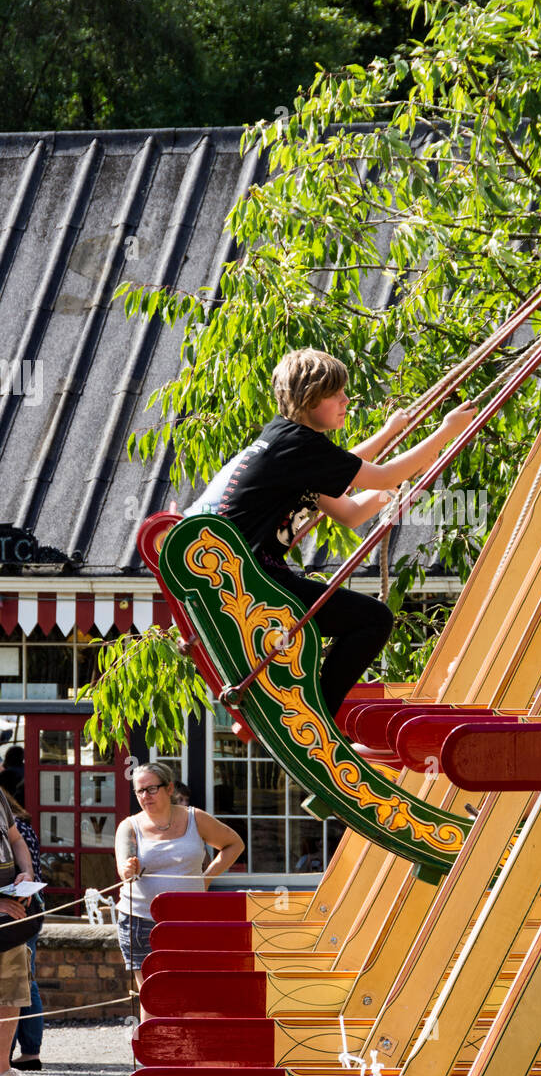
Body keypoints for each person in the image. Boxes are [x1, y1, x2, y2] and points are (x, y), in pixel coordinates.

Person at [213, 347, 476, 715]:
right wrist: (445, 432)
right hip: (255, 579)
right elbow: (379, 473)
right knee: (374, 619)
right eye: (336, 394)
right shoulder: (297, 445)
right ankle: (319, 712)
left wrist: (396, 479)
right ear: (309, 398)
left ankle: (314, 705)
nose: (346, 400)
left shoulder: (287, 441)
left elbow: (350, 511)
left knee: (364, 618)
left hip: (247, 576)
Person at [115, 762, 244, 1020]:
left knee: (190, 992)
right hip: (141, 920)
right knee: (153, 994)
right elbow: (123, 869)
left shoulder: (195, 818)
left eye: (151, 789)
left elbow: (234, 844)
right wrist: (129, 868)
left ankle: (187, 1056)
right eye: (139, 791)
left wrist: (206, 879)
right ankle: (155, 1057)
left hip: (190, 921)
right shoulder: (129, 827)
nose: (144, 797)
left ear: (169, 788)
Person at [0, 782, 44, 1076]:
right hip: (4, 909)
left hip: (11, 921)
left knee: (11, 997)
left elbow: (16, 839)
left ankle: (3, 1071)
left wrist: (26, 872)